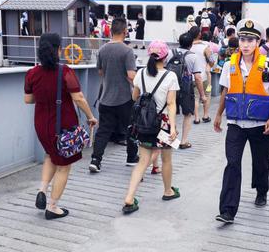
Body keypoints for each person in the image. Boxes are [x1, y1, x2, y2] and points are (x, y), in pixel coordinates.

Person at [214, 18, 269, 224]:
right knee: (232, 163)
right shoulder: (229, 64)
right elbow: (226, 91)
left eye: (250, 40)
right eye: (242, 39)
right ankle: (227, 210)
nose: (245, 44)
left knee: (261, 161)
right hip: (235, 124)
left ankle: (261, 190)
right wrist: (218, 114)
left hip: (260, 124)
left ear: (258, 42)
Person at [24, 33, 98, 220]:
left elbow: (28, 99)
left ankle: (42, 189)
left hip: (41, 124)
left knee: (51, 154)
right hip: (63, 126)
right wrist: (91, 116)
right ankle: (53, 207)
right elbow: (78, 98)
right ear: (58, 50)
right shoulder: (64, 72)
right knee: (64, 166)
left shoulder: (32, 73)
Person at [122, 41, 180, 214]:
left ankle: (129, 198)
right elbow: (171, 104)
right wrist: (173, 128)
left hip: (144, 123)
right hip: (163, 123)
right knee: (167, 159)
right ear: (165, 57)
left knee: (142, 162)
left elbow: (134, 97)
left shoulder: (140, 74)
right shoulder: (170, 76)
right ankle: (168, 191)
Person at [89, 17, 139, 173]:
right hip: (124, 99)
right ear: (125, 31)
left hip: (105, 98)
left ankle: (96, 160)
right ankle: (131, 157)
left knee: (103, 130)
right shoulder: (127, 51)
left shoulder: (102, 50)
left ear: (111, 31)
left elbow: (100, 72)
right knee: (131, 128)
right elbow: (131, 76)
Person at [165, 32, 207, 149]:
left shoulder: (169, 53)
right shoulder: (193, 56)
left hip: (170, 88)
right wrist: (202, 95)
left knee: (169, 112)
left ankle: (169, 138)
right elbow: (198, 77)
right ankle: (183, 142)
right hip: (186, 89)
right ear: (191, 44)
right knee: (187, 114)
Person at [189, 26, 214, 124]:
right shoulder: (205, 47)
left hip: (192, 77)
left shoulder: (188, 46)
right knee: (207, 94)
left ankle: (196, 118)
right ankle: (206, 115)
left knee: (195, 97)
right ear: (199, 34)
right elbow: (212, 61)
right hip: (204, 76)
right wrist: (209, 64)